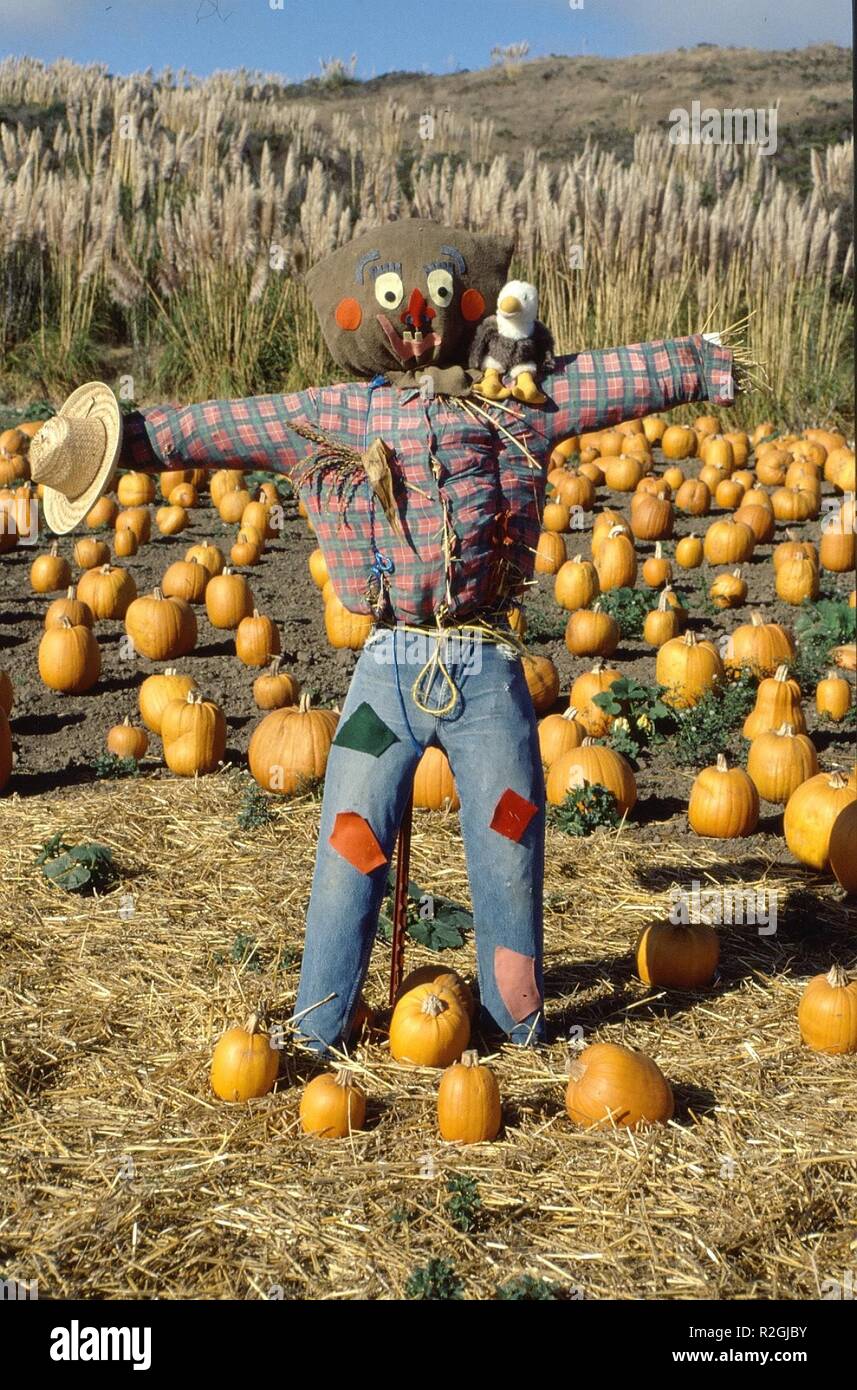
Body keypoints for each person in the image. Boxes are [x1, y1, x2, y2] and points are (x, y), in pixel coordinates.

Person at [29, 218, 736, 1055]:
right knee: (350, 839)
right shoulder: (327, 414)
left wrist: (700, 362)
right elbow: (222, 425)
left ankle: (520, 1030)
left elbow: (612, 379)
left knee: (508, 837)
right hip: (386, 671)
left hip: (486, 672)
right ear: (356, 314)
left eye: (436, 299)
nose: (415, 319)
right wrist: (124, 444)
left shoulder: (517, 402)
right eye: (394, 302)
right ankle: (319, 1027)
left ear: (463, 303)